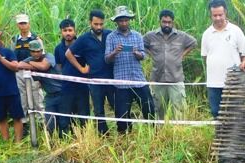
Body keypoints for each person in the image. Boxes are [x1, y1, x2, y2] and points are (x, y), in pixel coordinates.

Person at [105, 6, 154, 134]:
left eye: (126, 20)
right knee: (122, 114)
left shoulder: (137, 36)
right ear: (116, 22)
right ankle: (125, 136)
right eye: (121, 20)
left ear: (129, 20)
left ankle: (153, 133)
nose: (124, 23)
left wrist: (136, 53)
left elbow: (143, 55)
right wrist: (115, 52)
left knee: (148, 107)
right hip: (121, 82)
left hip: (138, 79)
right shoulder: (111, 37)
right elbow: (107, 59)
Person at [65, 10, 115, 134]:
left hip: (112, 78)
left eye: (101, 24)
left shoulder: (110, 34)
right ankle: (103, 134)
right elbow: (68, 54)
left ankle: (122, 131)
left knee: (117, 105)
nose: (99, 27)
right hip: (94, 79)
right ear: (90, 23)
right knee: (98, 109)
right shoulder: (83, 39)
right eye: (96, 24)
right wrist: (81, 69)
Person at [143, 10, 197, 119]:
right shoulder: (151, 36)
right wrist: (151, 53)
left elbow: (194, 43)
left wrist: (182, 55)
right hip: (157, 80)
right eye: (164, 22)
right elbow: (140, 44)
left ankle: (179, 133)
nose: (167, 24)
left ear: (173, 22)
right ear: (160, 22)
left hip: (175, 79)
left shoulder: (181, 36)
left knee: (179, 112)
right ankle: (159, 134)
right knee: (158, 111)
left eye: (169, 22)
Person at [201, 0, 245, 118]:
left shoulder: (236, 31)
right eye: (214, 15)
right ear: (210, 15)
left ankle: (234, 136)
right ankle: (220, 136)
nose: (218, 18)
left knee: (234, 113)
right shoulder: (206, 34)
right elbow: (205, 57)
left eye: (220, 15)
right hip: (213, 82)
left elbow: (244, 54)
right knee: (216, 112)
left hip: (233, 81)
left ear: (225, 12)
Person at [18, 40, 63, 135]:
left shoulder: (48, 56)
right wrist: (33, 63)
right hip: (50, 95)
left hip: (62, 92)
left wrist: (31, 64)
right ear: (30, 51)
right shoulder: (31, 59)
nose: (36, 53)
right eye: (33, 51)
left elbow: (44, 66)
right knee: (50, 122)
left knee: (64, 122)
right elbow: (20, 65)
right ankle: (52, 143)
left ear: (42, 50)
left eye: (38, 51)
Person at [54, 18, 85, 132]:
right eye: (65, 30)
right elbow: (58, 66)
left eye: (70, 30)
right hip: (66, 87)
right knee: (65, 116)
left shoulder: (82, 46)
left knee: (83, 115)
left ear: (75, 31)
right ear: (61, 32)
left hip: (82, 87)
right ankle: (65, 140)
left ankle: (85, 139)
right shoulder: (58, 49)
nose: (68, 33)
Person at [13, 14, 42, 124]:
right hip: (19, 73)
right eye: (21, 23)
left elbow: (42, 56)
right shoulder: (15, 39)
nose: (23, 26)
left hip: (33, 71)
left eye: (25, 23)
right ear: (17, 25)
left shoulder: (36, 38)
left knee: (37, 97)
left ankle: (41, 122)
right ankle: (25, 123)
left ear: (29, 24)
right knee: (22, 98)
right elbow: (12, 55)